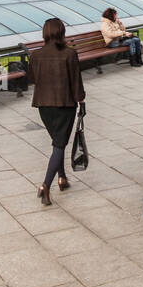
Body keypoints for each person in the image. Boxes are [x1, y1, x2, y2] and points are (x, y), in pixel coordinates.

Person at [28, 18, 85, 206]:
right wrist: (81, 99)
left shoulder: (36, 55)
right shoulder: (70, 54)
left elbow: (32, 79)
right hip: (64, 104)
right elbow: (76, 81)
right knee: (59, 145)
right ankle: (45, 185)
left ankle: (62, 178)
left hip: (44, 106)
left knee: (57, 142)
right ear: (62, 32)